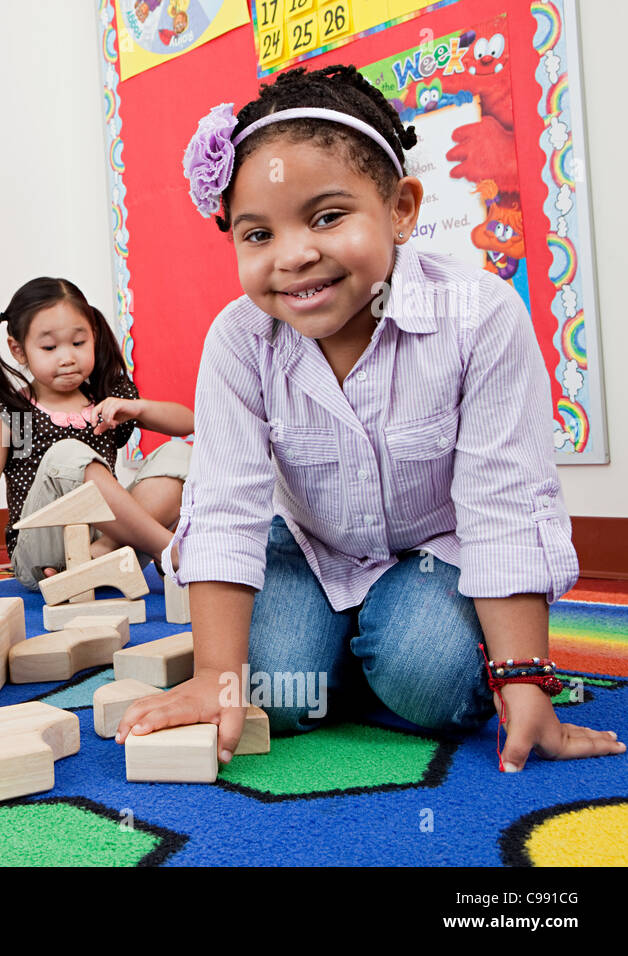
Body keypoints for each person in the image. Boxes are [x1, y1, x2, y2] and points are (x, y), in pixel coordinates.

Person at [116, 65, 624, 772]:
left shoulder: (479, 316)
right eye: (257, 234)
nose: (294, 255)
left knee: (429, 680)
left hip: (433, 550)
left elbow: (503, 502)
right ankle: (342, 651)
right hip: (309, 546)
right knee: (272, 693)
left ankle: (382, 649)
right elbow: (227, 504)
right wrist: (214, 677)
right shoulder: (238, 340)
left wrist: (523, 679)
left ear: (402, 209)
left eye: (327, 217)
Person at [0, 276, 194, 602]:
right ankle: (169, 551)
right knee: (69, 454)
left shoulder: (106, 401)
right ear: (18, 350)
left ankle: (101, 554)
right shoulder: (13, 414)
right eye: (50, 348)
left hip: (112, 535)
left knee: (180, 454)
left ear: (93, 336)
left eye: (78, 343)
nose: (67, 357)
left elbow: (189, 424)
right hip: (44, 555)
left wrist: (137, 408)